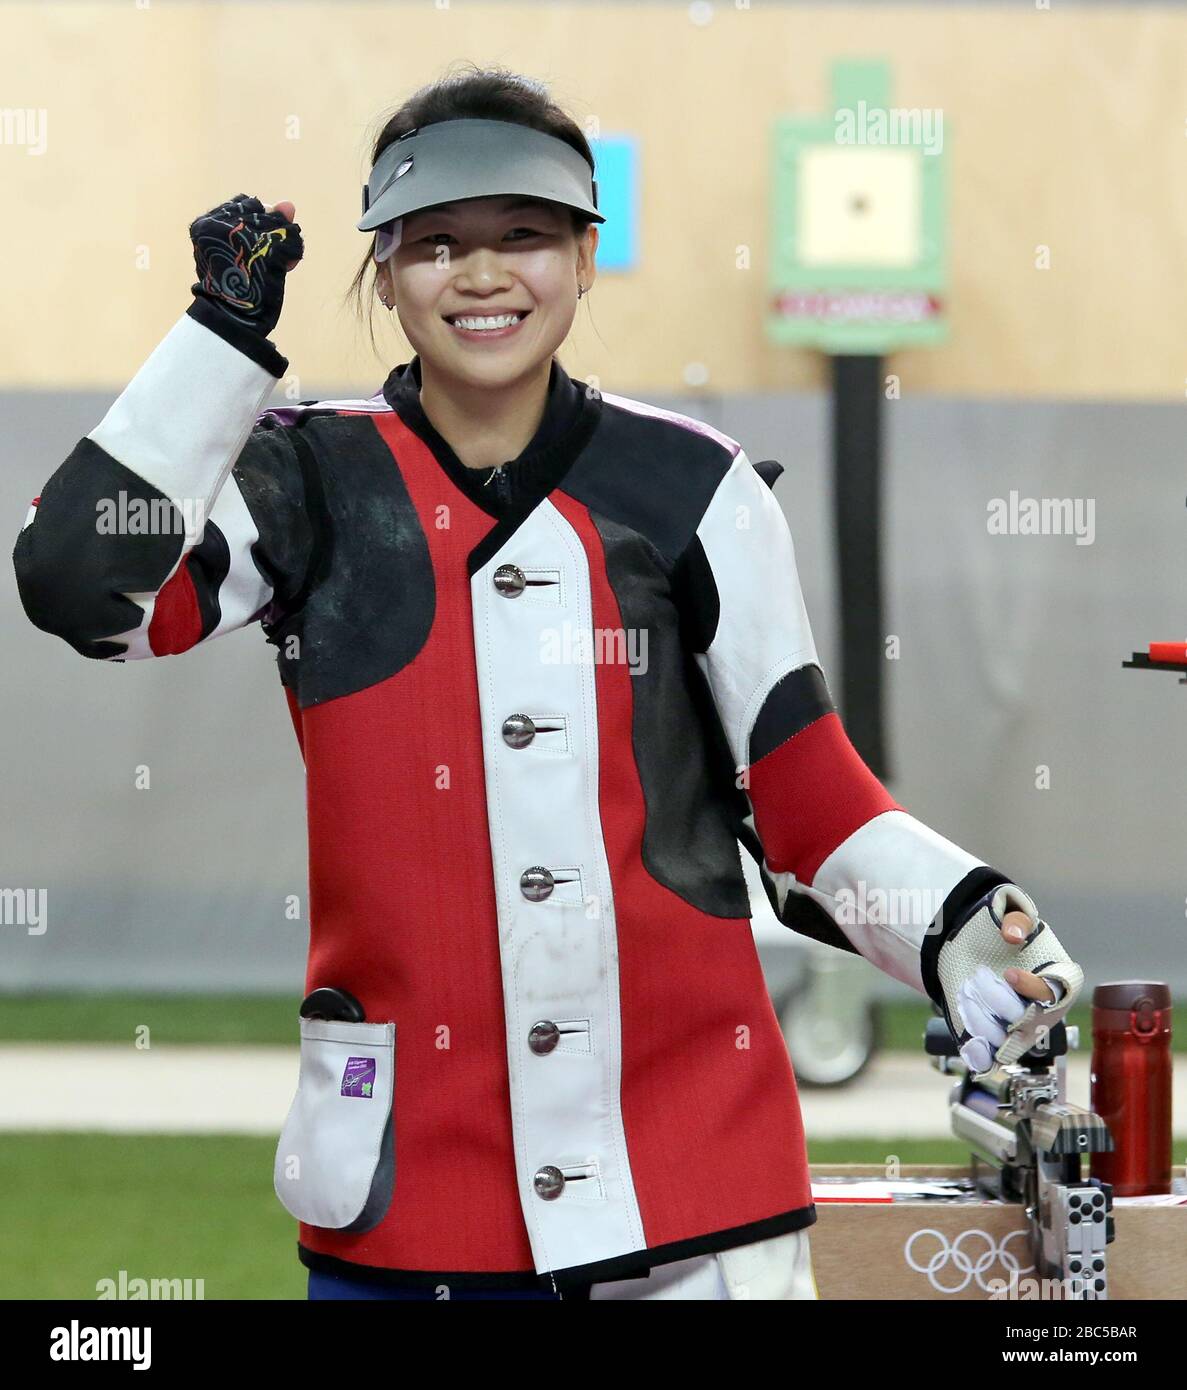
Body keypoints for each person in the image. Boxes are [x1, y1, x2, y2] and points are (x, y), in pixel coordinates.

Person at [12, 65, 1083, 1301]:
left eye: (522, 237)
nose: (479, 276)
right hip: (404, 1210)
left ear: (582, 257)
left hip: (692, 1206)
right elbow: (81, 587)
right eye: (434, 245)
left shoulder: (696, 484)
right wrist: (217, 340)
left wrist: (967, 930)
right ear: (384, 274)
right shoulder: (296, 479)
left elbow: (808, 804)